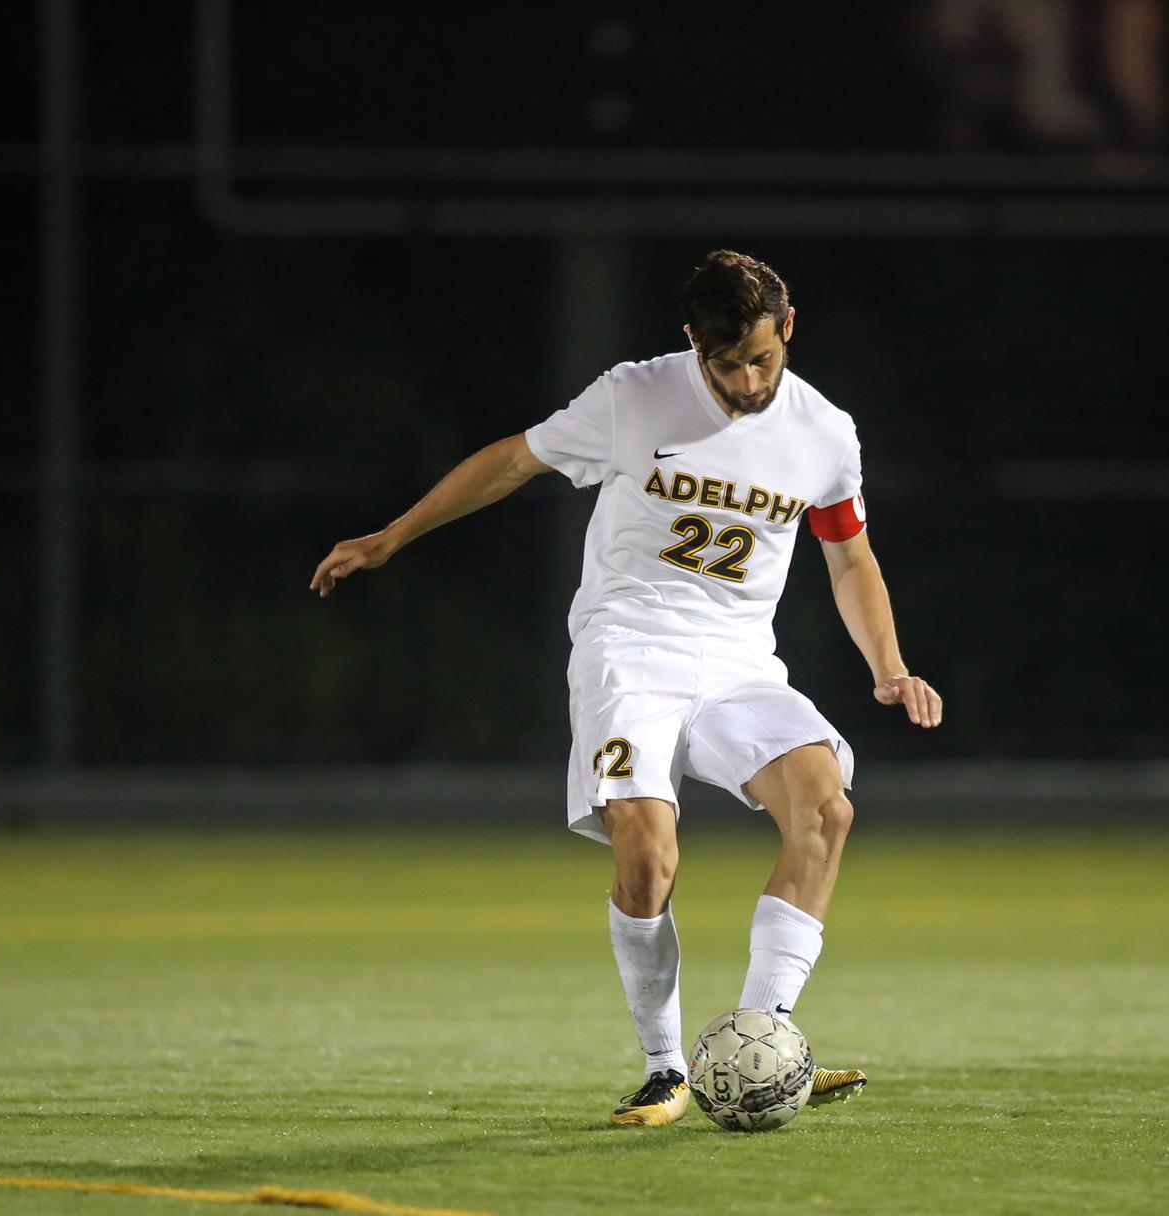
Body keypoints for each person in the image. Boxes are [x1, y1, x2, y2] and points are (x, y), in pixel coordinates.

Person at [311, 250, 942, 1127]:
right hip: (629, 649)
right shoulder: (634, 395)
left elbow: (849, 554)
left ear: (787, 328)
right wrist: (391, 536)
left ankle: (762, 1041)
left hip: (739, 664)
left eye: (762, 357)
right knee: (647, 857)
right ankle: (665, 1068)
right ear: (692, 343)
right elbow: (512, 460)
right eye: (726, 365)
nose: (748, 380)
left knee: (826, 807)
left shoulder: (825, 432)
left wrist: (889, 665)